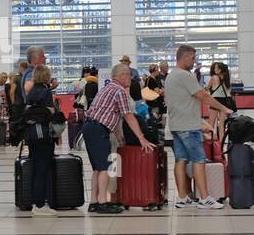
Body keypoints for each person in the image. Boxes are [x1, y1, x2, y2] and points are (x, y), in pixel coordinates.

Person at [166, 44, 234, 210]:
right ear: (185, 57)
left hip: (176, 125)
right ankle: (204, 198)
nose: (194, 61)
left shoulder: (171, 75)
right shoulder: (185, 75)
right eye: (193, 58)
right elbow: (203, 96)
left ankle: (182, 197)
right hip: (189, 126)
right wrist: (224, 108)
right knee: (199, 159)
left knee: (181, 160)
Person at [84, 63, 156, 215]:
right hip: (98, 129)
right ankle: (103, 203)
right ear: (121, 76)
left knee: (97, 168)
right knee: (104, 167)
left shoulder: (107, 88)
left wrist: (118, 136)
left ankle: (94, 202)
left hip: (89, 127)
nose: (131, 78)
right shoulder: (119, 91)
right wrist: (141, 137)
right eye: (129, 75)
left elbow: (112, 115)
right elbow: (128, 116)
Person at [23, 65, 59, 215]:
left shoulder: (31, 91)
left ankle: (35, 201)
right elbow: (50, 112)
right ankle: (40, 204)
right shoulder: (46, 91)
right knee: (42, 168)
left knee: (35, 167)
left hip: (31, 135)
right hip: (44, 135)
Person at [206, 61, 234, 146]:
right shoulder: (227, 79)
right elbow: (229, 91)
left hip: (215, 101)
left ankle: (209, 142)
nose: (214, 69)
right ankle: (221, 142)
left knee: (211, 123)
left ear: (220, 69)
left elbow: (207, 88)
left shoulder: (214, 77)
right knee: (221, 124)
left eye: (216, 68)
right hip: (224, 103)